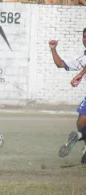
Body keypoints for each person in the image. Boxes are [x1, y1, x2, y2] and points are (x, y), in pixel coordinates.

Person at [49, 28, 86, 163]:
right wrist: (53, 49)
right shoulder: (81, 59)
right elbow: (60, 64)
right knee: (81, 122)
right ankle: (81, 137)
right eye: (84, 36)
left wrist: (80, 74)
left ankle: (79, 136)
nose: (85, 39)